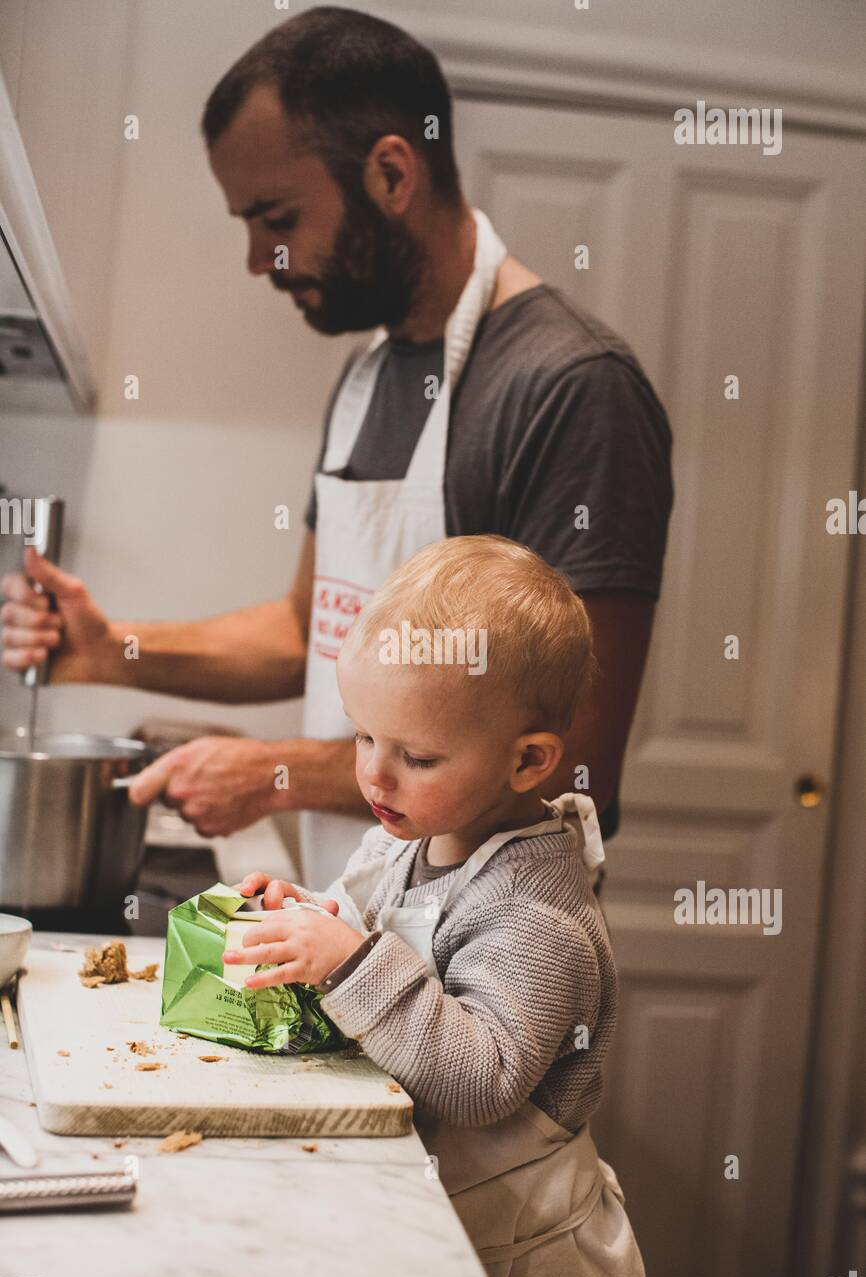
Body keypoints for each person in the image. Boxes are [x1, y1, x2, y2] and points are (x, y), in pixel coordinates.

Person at [0, 8, 673, 888]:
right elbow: (308, 623)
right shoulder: (367, 378)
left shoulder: (573, 387)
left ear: (392, 172)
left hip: (479, 967)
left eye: (275, 216)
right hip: (360, 924)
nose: (257, 259)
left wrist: (277, 773)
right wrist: (111, 647)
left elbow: (580, 760)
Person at [226, 534, 650, 1277]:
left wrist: (349, 963)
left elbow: (480, 1077)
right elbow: (368, 942)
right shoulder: (415, 842)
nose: (373, 774)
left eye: (417, 757)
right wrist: (308, 921)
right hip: (439, 1222)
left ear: (528, 762)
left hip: (524, 1258)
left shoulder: (536, 912)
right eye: (363, 736)